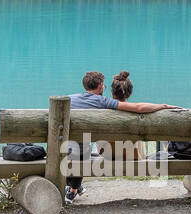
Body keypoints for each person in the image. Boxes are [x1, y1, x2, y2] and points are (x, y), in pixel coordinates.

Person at [65, 70, 177, 202]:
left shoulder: (69, 99)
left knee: (80, 147)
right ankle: (74, 188)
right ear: (100, 86)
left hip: (72, 149)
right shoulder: (102, 102)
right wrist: (164, 106)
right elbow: (138, 108)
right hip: (129, 155)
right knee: (82, 149)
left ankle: (74, 188)